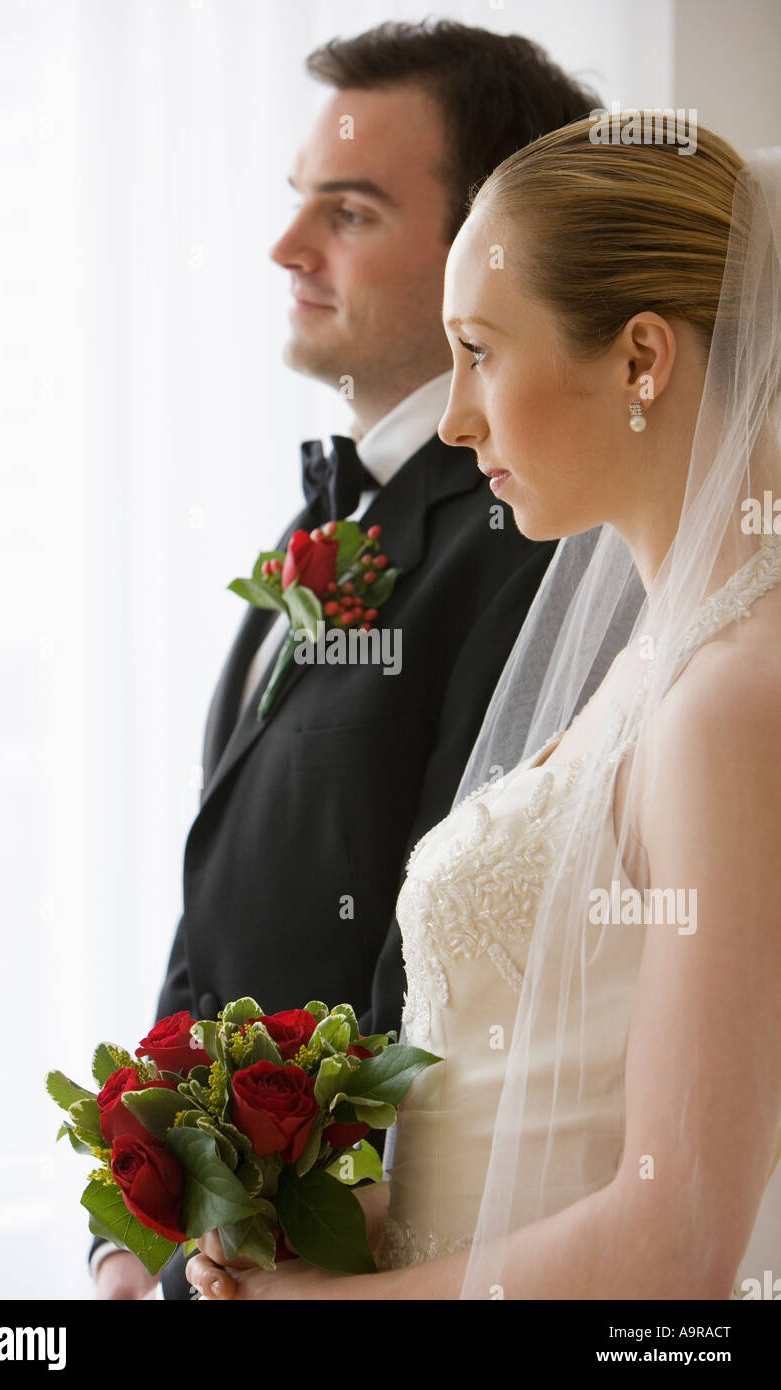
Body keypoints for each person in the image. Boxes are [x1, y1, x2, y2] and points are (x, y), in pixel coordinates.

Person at [186, 114, 781, 1300]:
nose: (455, 419)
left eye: (479, 352)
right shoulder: (651, 653)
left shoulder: (727, 701)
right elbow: (542, 1113)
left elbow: (676, 1240)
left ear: (638, 361)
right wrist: (347, 1213)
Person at [93, 21, 606, 1299]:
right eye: (296, 206)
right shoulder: (316, 529)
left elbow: (437, 960)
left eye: (351, 211)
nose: (287, 249)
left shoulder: (533, 544)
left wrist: (259, 1256)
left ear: (487, 246)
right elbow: (218, 893)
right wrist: (130, 1225)